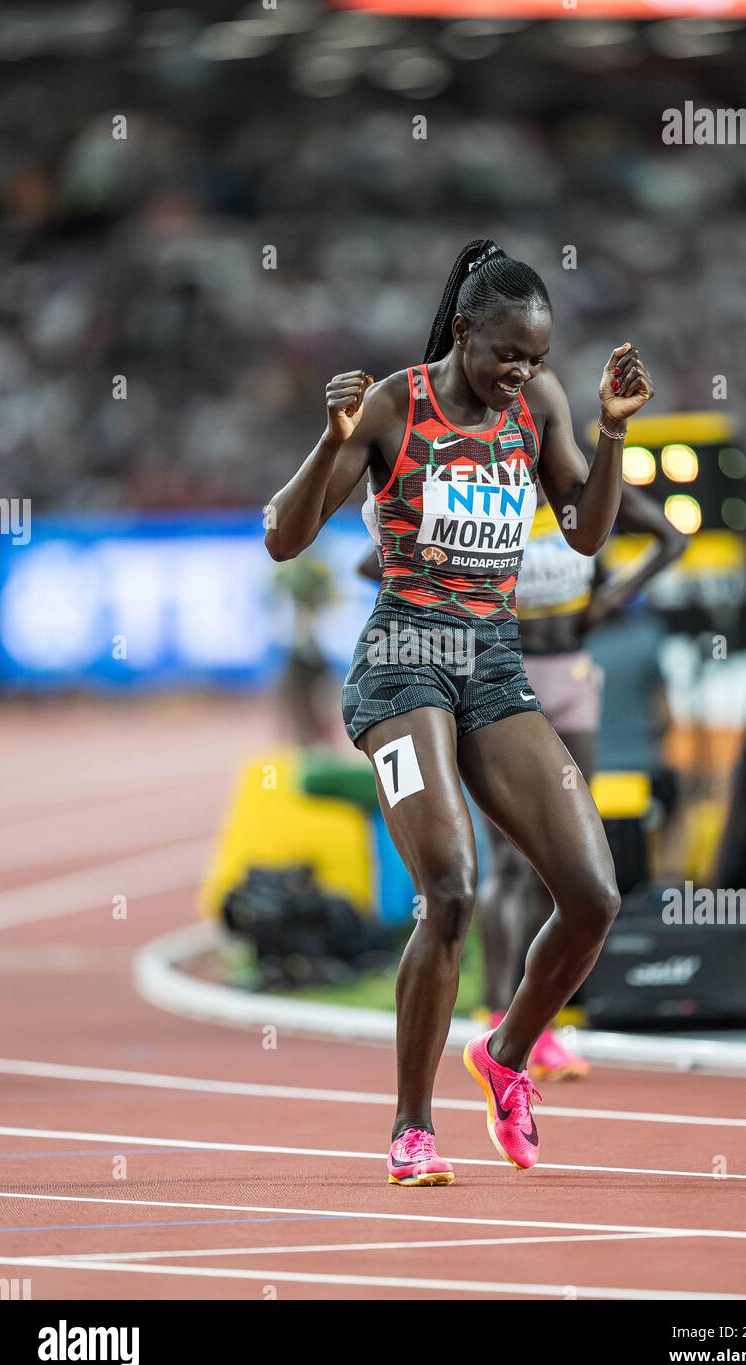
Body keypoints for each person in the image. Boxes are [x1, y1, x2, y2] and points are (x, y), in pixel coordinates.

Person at [264, 239, 654, 1183]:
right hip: (404, 658)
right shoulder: (395, 403)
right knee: (450, 888)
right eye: (504, 353)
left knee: (593, 893)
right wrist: (330, 441)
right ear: (464, 329)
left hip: (493, 661)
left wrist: (610, 432)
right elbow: (283, 537)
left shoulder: (540, 404)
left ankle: (506, 1056)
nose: (519, 371)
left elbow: (590, 532)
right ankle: (411, 1126)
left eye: (534, 356)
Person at [478, 485, 687, 1080]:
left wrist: (611, 598)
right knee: (511, 865)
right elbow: (377, 563)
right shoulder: (492, 484)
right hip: (502, 672)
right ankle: (496, 1018)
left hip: (574, 671)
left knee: (565, 862)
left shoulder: (583, 488)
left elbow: (673, 538)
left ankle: (534, 1029)